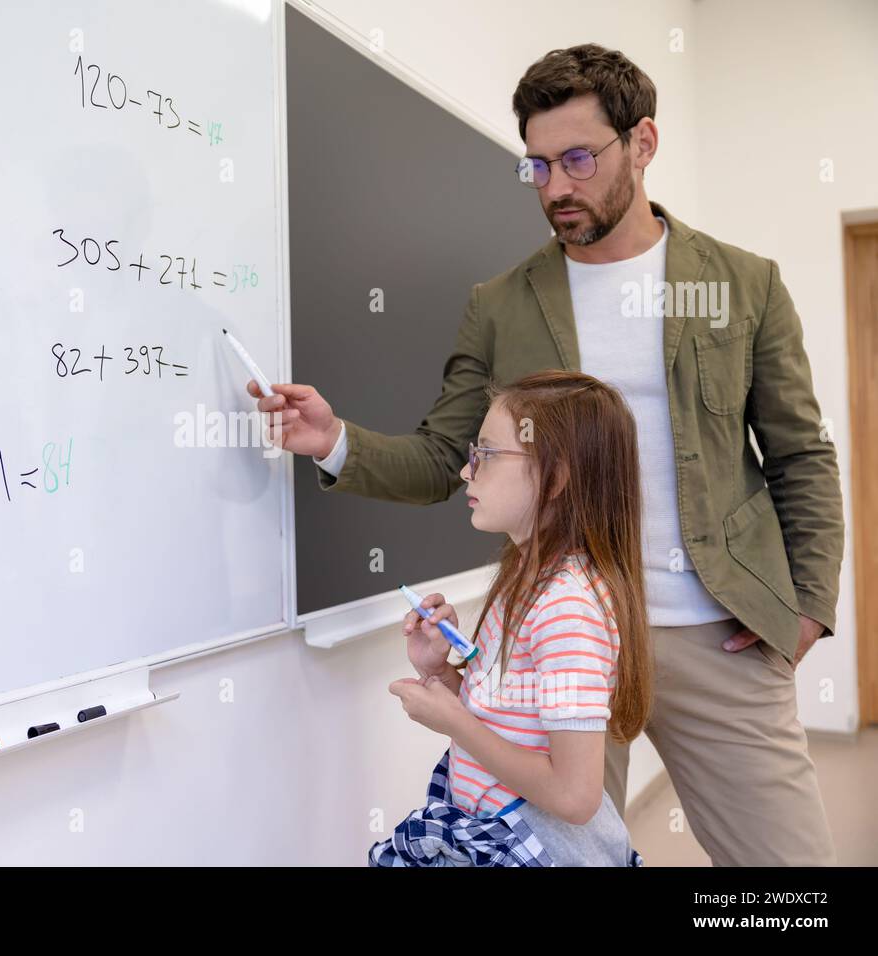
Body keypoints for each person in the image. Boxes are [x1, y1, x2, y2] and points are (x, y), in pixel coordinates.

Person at [252, 44, 842, 866]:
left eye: (577, 159)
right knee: (559, 854)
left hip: (718, 629)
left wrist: (808, 605)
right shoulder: (499, 304)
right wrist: (334, 440)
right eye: (536, 165)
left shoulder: (746, 285)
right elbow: (443, 457)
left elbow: (801, 456)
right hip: (556, 632)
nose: (555, 187)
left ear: (642, 143)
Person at [371, 372, 648, 867]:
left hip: (532, 847)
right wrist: (442, 674)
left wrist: (453, 722)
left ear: (557, 478)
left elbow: (574, 796)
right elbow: (509, 717)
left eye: (487, 454)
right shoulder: (525, 577)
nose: (465, 471)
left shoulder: (567, 607)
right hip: (494, 832)